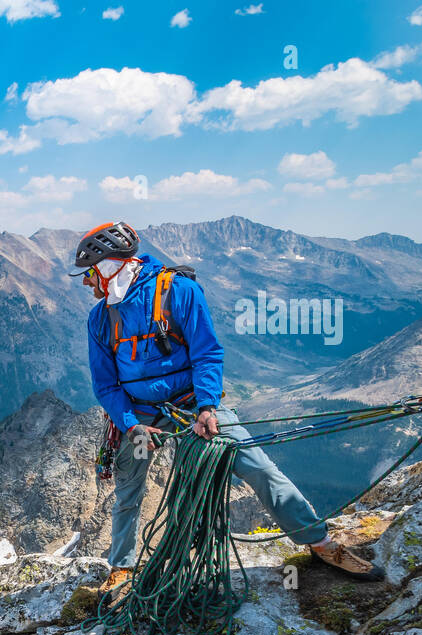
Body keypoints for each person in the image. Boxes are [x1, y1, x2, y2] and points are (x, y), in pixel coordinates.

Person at [73, 221, 383, 596]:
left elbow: (207, 352)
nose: (88, 283)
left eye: (90, 273)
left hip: (191, 405)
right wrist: (129, 423)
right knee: (128, 490)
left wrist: (207, 406)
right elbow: (105, 384)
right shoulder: (100, 318)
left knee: (256, 465)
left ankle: (320, 543)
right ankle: (122, 566)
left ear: (109, 266)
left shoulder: (178, 291)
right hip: (138, 413)